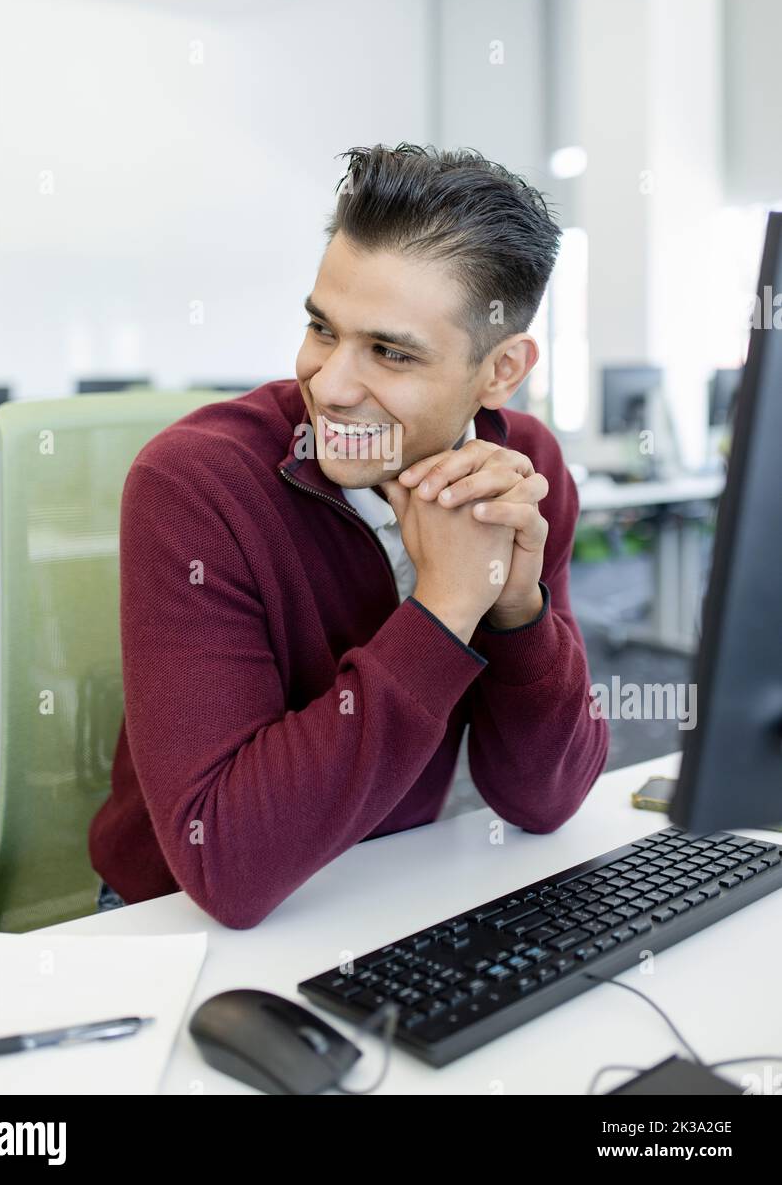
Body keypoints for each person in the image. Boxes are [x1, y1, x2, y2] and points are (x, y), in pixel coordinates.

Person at [89, 143, 609, 926]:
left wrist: (515, 611)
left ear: (500, 371)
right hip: (171, 926)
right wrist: (440, 610)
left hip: (385, 888)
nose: (328, 386)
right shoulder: (194, 484)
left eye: (390, 353)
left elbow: (542, 799)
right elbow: (223, 865)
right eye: (321, 329)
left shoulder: (519, 470)